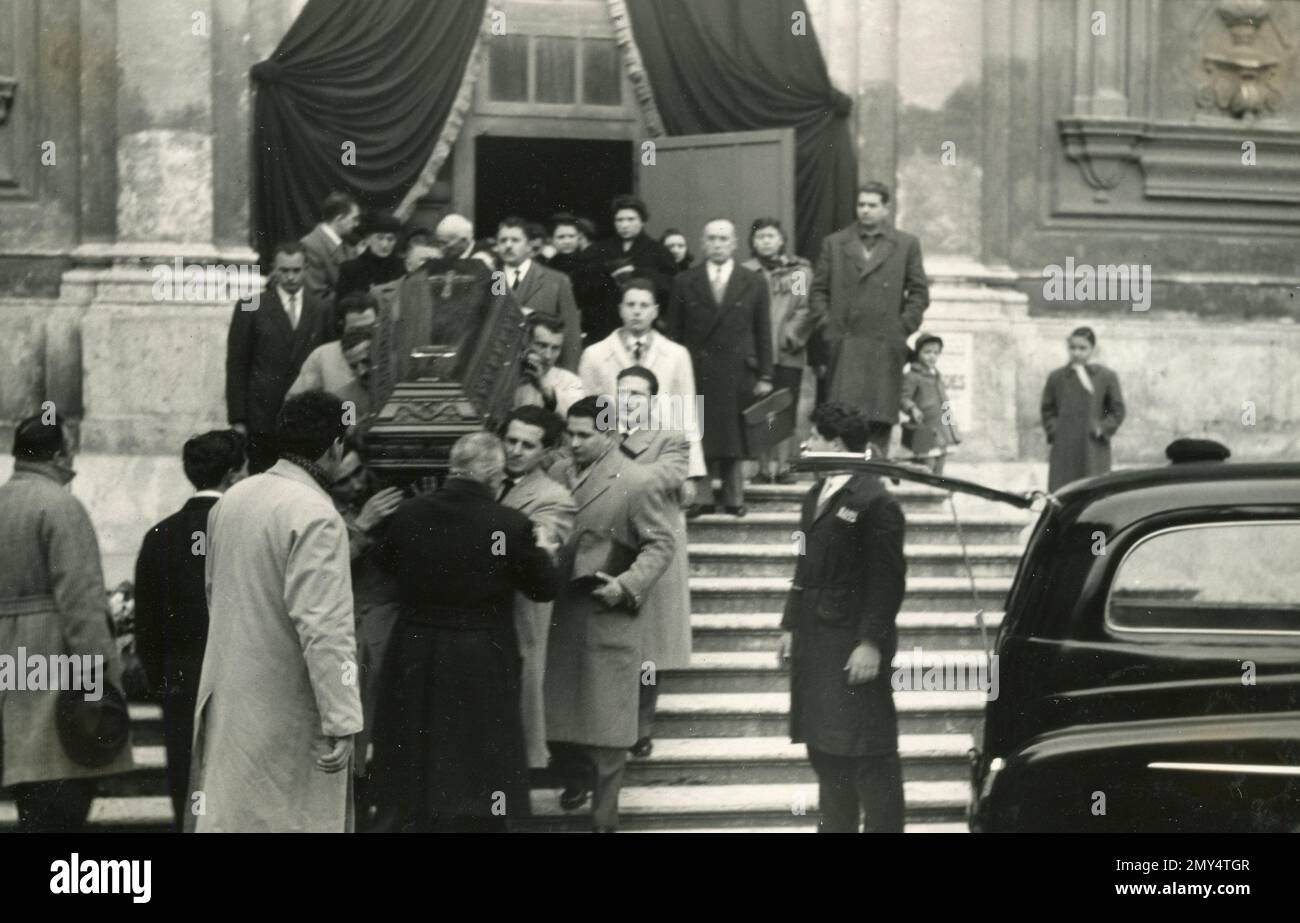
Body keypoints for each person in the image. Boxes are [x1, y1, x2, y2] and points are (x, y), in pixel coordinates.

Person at [191, 391, 363, 832]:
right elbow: (325, 626)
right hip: (287, 707)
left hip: (233, 700)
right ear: (334, 448)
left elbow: (215, 593)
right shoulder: (317, 515)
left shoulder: (234, 498)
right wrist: (342, 715)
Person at [371, 432, 559, 832]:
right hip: (481, 654)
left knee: (414, 754)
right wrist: (543, 549)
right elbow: (544, 589)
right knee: (478, 762)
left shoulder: (408, 515)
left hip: (415, 648)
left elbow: (386, 565)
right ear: (494, 475)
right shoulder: (510, 524)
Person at [545, 396, 676, 831]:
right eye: (571, 434)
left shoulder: (637, 480)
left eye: (586, 435)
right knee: (560, 716)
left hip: (605, 612)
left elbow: (660, 544)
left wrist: (627, 586)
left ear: (611, 433)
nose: (575, 443)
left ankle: (605, 818)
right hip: (557, 610)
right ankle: (573, 779)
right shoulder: (556, 472)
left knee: (608, 728)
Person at [0, 413, 134, 832]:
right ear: (59, 456)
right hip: (56, 668)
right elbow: (82, 603)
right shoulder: (61, 506)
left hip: (13, 667)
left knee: (32, 801)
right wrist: (101, 685)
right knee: (61, 802)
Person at [777, 403, 907, 833]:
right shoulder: (816, 496)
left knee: (869, 753)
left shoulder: (875, 500)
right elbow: (803, 562)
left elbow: (888, 581)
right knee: (826, 748)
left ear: (834, 444)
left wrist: (870, 641)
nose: (806, 444)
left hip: (853, 642)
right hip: (816, 638)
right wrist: (790, 624)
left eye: (813, 436)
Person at [133, 429, 246, 831]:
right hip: (238, 673)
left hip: (179, 676)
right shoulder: (246, 531)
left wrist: (159, 681)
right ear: (234, 474)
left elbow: (145, 624)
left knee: (187, 785)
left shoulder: (159, 536)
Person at [810, 182, 930, 457]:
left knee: (878, 420)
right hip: (845, 344)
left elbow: (919, 293)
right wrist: (829, 329)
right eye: (861, 204)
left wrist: (901, 330)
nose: (865, 210)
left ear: (886, 208)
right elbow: (817, 292)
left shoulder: (906, 244)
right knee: (842, 419)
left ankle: (871, 481)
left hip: (884, 345)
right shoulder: (835, 243)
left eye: (872, 205)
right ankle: (842, 480)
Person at [667, 219, 773, 516]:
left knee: (733, 435)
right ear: (702, 243)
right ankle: (701, 498)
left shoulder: (752, 280)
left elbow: (763, 330)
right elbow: (675, 333)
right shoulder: (685, 281)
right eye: (711, 238)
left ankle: (734, 498)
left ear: (735, 243)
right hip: (696, 370)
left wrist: (765, 374)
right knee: (697, 432)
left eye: (723, 239)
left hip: (737, 370)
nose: (717, 244)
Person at [613, 367, 694, 758]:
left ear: (652, 401)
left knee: (649, 651)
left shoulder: (671, 440)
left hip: (654, 550)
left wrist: (615, 477)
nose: (629, 401)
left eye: (638, 395)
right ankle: (614, 727)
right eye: (623, 393)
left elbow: (670, 477)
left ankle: (642, 727)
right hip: (610, 546)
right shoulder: (599, 437)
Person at [325, 444, 403, 830]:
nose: (357, 484)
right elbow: (322, 565)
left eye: (359, 473)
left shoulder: (385, 498)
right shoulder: (323, 513)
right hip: (350, 641)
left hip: (387, 637)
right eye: (345, 480)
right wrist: (363, 524)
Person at [497, 406, 576, 771]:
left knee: (513, 715)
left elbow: (536, 552)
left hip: (517, 616)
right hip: (475, 617)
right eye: (510, 440)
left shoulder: (553, 497)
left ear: (545, 452)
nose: (515, 450)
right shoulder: (484, 479)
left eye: (527, 445)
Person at [578, 277, 705, 483]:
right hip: (610, 455)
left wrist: (691, 472)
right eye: (630, 305)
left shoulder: (676, 355)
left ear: (655, 311)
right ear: (620, 310)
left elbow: (687, 412)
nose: (637, 311)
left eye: (644, 305)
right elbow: (586, 412)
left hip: (660, 455)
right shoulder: (595, 354)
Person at [225, 240, 333, 473]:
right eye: (284, 270)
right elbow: (237, 365)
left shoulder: (322, 308)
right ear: (274, 269)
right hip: (262, 420)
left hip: (307, 420)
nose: (290, 277)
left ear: (306, 269)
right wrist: (238, 419)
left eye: (296, 270)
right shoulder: (250, 305)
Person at [743, 217, 816, 484]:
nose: (766, 242)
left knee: (785, 408)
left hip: (787, 352)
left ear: (781, 240)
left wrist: (790, 336)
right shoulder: (746, 273)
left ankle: (784, 466)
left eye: (771, 236)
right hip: (756, 354)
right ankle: (763, 468)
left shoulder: (797, 272)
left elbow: (804, 307)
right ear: (752, 242)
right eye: (760, 237)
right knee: (761, 409)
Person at [1040, 326, 1126, 491]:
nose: (1077, 353)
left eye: (1082, 348)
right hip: (1064, 446)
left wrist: (1102, 427)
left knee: (1091, 488)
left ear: (1093, 349)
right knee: (1063, 489)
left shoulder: (1105, 377)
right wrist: (1055, 430)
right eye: (1072, 348)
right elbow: (1048, 409)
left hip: (1092, 445)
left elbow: (1115, 409)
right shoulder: (1057, 377)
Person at [588, 195, 678, 344]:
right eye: (620, 220)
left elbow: (671, 287)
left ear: (642, 221)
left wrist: (638, 274)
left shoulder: (658, 251)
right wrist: (607, 274)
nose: (625, 225)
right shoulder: (599, 249)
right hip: (606, 325)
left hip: (646, 325)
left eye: (631, 219)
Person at [497, 216, 583, 369]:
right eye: (503, 240)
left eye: (515, 240)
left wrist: (567, 377)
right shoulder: (492, 279)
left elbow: (571, 335)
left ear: (529, 245)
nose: (508, 246)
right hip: (499, 374)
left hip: (543, 370)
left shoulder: (556, 280)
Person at [289, 291, 379, 429]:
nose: (364, 335)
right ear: (342, 326)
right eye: (355, 330)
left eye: (370, 328)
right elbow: (295, 405)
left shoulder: (392, 354)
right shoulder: (322, 356)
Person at [900, 333, 961, 475]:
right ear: (918, 353)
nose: (932, 356)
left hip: (943, 428)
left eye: (935, 353)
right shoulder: (913, 376)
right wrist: (912, 408)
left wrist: (952, 426)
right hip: (925, 427)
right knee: (927, 463)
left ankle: (938, 491)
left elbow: (944, 400)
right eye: (927, 352)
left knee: (941, 461)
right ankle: (927, 491)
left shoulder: (937, 375)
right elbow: (903, 397)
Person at [547, 212, 607, 344]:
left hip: (587, 330)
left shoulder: (591, 266)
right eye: (561, 237)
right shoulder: (546, 268)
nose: (567, 241)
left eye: (571, 236)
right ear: (551, 240)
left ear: (579, 237)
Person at [513, 314, 587, 417]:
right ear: (526, 344)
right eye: (542, 345)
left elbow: (576, 415)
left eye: (555, 348)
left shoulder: (570, 381)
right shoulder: (509, 374)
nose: (548, 356)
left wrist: (545, 388)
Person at [300, 191, 360, 307]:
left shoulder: (346, 244)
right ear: (339, 219)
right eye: (354, 219)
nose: (357, 224)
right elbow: (317, 295)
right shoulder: (310, 245)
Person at [336, 210, 407, 297]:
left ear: (395, 241)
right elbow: (343, 306)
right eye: (379, 238)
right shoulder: (350, 270)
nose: (385, 244)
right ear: (368, 239)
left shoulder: (402, 267)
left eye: (390, 239)